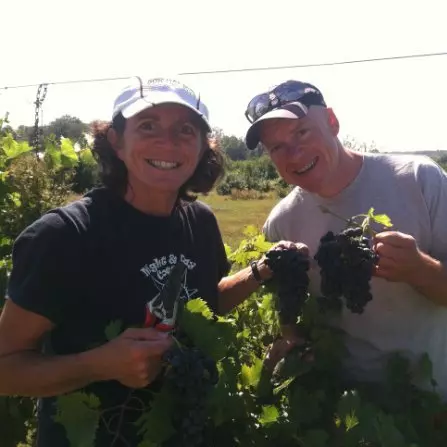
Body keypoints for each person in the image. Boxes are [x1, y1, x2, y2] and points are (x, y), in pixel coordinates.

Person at [0, 77, 292, 447]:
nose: (167, 143)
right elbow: (6, 370)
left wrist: (261, 270)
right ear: (116, 143)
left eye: (186, 130)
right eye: (148, 126)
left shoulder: (200, 223)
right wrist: (98, 365)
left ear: (203, 148)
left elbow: (201, 302)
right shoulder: (64, 236)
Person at [243, 79, 447, 400]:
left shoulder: (418, 179)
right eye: (277, 147)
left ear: (333, 123)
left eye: (302, 132)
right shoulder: (282, 223)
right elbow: (291, 307)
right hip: (347, 406)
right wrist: (293, 341)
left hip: (433, 398)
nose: (294, 154)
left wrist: (419, 269)